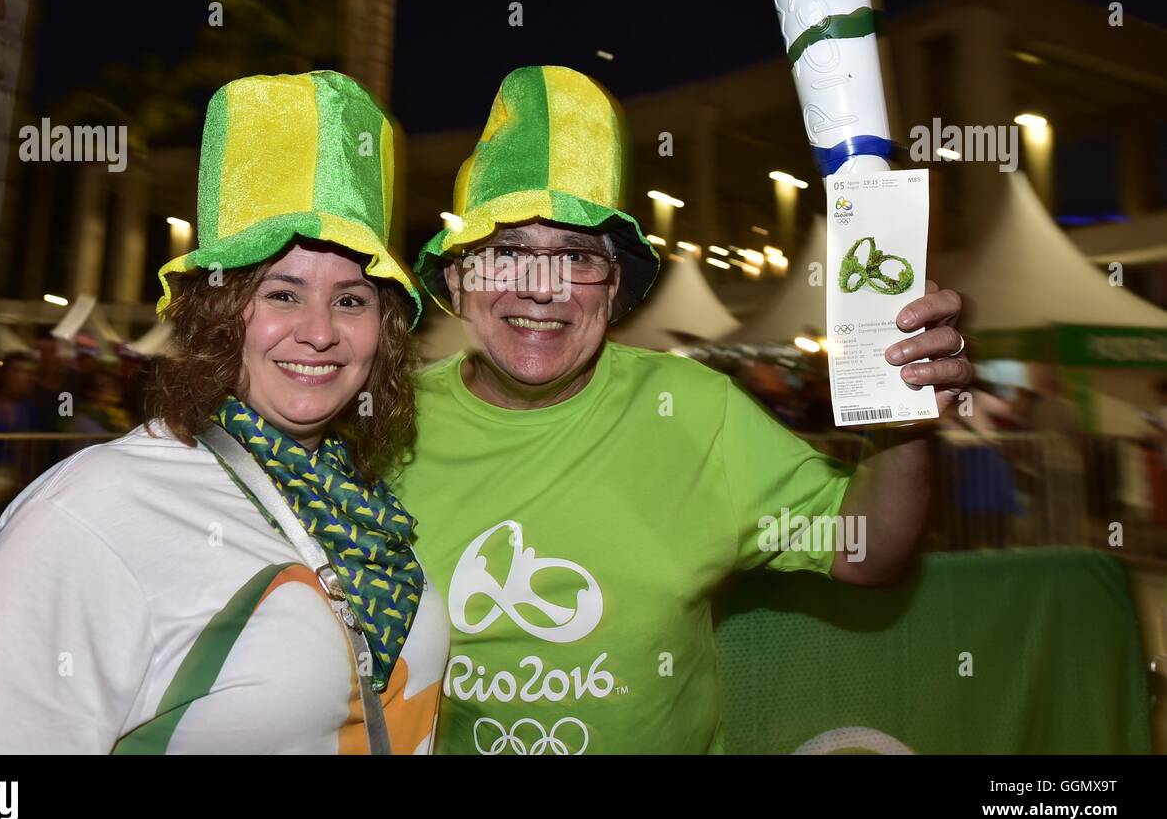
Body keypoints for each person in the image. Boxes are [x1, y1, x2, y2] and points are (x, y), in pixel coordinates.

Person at [400, 65, 974, 755]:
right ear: (458, 282)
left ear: (613, 290)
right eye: (506, 251)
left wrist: (903, 420)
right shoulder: (383, 428)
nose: (541, 288)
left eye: (577, 257)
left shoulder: (697, 413)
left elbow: (869, 551)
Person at [0, 72, 447, 755]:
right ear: (216, 311)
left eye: (352, 300)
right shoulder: (95, 512)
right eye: (281, 293)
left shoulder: (360, 498)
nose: (320, 331)